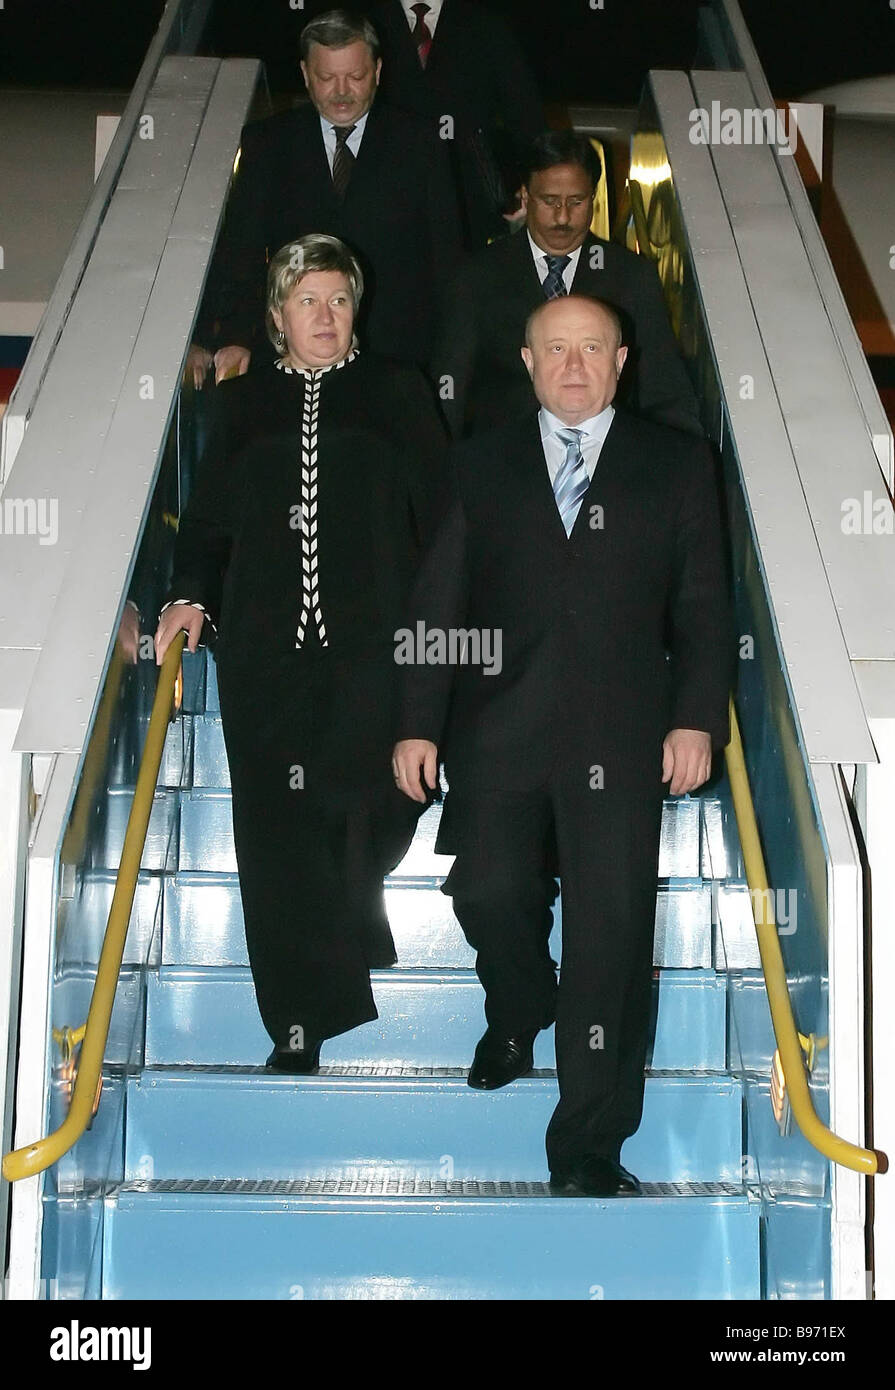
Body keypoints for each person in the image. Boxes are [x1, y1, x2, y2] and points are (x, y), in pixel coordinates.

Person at [393, 294, 731, 1195]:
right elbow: (437, 604)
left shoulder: (680, 463)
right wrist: (418, 720)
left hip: (623, 738)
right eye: (556, 349)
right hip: (498, 732)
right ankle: (518, 1002)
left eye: (592, 349)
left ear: (622, 361)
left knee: (610, 936)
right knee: (490, 890)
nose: (573, 365)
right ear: (527, 359)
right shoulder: (478, 463)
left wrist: (695, 715)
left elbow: (703, 606)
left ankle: (587, 1145)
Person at [155, 234, 449, 1071]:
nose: (324, 316)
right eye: (307, 301)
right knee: (276, 834)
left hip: (376, 648)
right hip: (264, 653)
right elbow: (208, 521)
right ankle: (297, 1024)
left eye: (339, 300)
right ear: (278, 314)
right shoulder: (242, 407)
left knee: (378, 802)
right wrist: (188, 594)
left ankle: (351, 915)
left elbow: (441, 516)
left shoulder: (396, 390)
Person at [199, 8, 462, 382]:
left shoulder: (421, 144)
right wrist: (233, 335)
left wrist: (447, 362)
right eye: (327, 78)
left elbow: (446, 261)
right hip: (289, 355)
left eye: (355, 76)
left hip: (398, 358)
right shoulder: (267, 144)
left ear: (378, 71)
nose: (342, 93)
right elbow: (241, 250)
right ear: (306, 75)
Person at [432, 129, 702, 439]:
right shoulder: (478, 276)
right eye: (550, 201)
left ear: (593, 197)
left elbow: (664, 388)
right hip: (504, 459)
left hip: (605, 460)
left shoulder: (630, 277)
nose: (563, 218)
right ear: (525, 196)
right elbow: (449, 385)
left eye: (576, 202)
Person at [371, 0, 544, 248]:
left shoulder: (487, 25)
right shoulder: (368, 22)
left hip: (471, 202)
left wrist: (533, 183)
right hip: (387, 197)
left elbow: (525, 113)